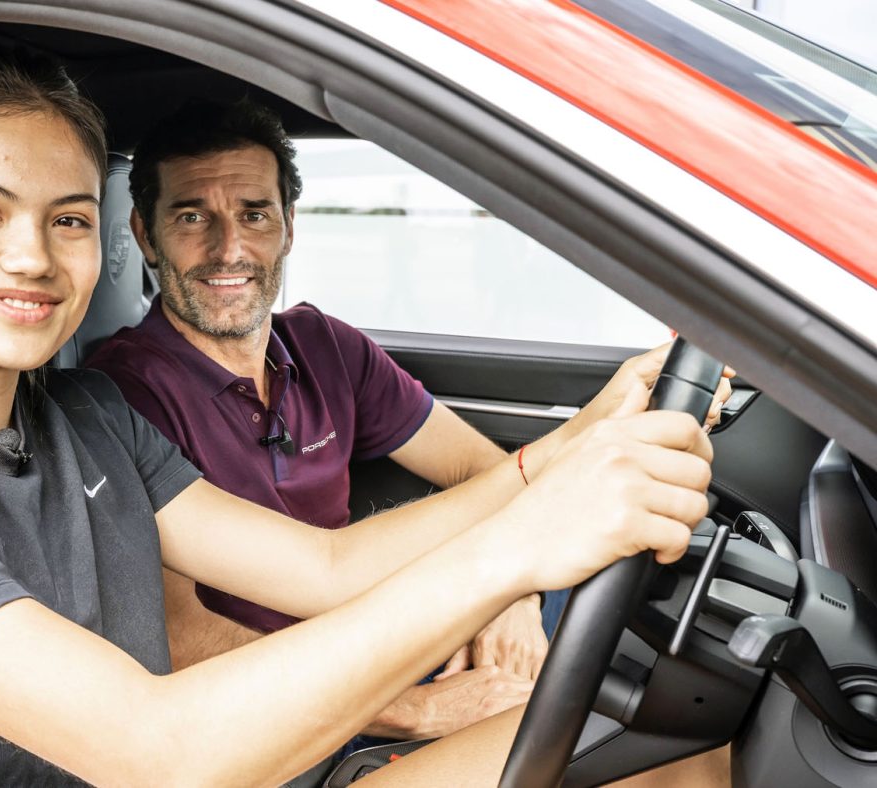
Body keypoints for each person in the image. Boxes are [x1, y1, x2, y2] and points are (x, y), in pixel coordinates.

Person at [0, 46, 723, 786]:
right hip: (188, 761)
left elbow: (320, 566)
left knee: (667, 741)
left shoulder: (78, 414)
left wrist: (566, 454)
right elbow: (155, 748)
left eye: (67, 217)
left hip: (258, 764)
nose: (33, 256)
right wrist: (511, 557)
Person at [86, 99, 732, 742]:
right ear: (146, 233)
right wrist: (415, 712)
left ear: (288, 226)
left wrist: (508, 596)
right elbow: (185, 642)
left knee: (656, 651)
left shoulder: (324, 346)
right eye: (192, 215)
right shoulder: (122, 396)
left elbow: (473, 467)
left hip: (400, 638)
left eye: (254, 214)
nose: (228, 249)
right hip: (280, 715)